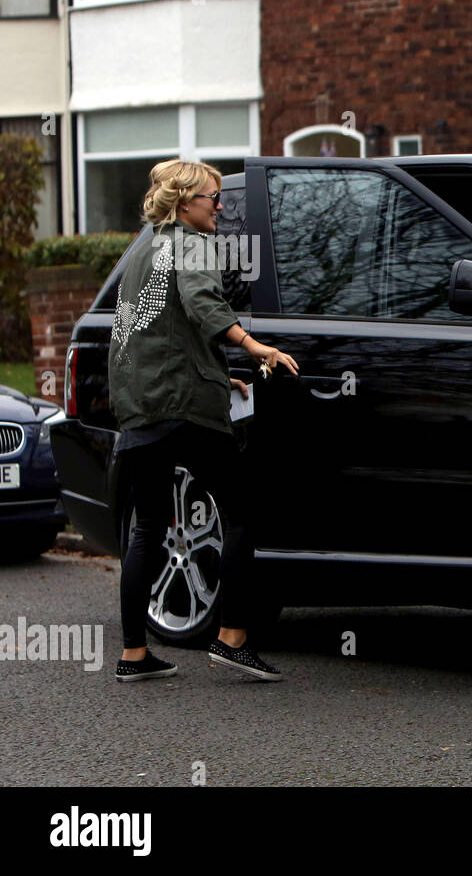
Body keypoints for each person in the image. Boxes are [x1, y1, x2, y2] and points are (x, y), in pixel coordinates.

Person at [108, 158, 300, 682]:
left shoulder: (142, 250)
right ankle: (232, 637)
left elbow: (155, 331)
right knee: (241, 511)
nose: (220, 205)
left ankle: (133, 656)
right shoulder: (191, 245)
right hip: (185, 411)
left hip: (141, 409)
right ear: (184, 200)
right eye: (212, 197)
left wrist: (220, 375)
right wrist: (257, 348)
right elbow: (202, 304)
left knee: (147, 526)